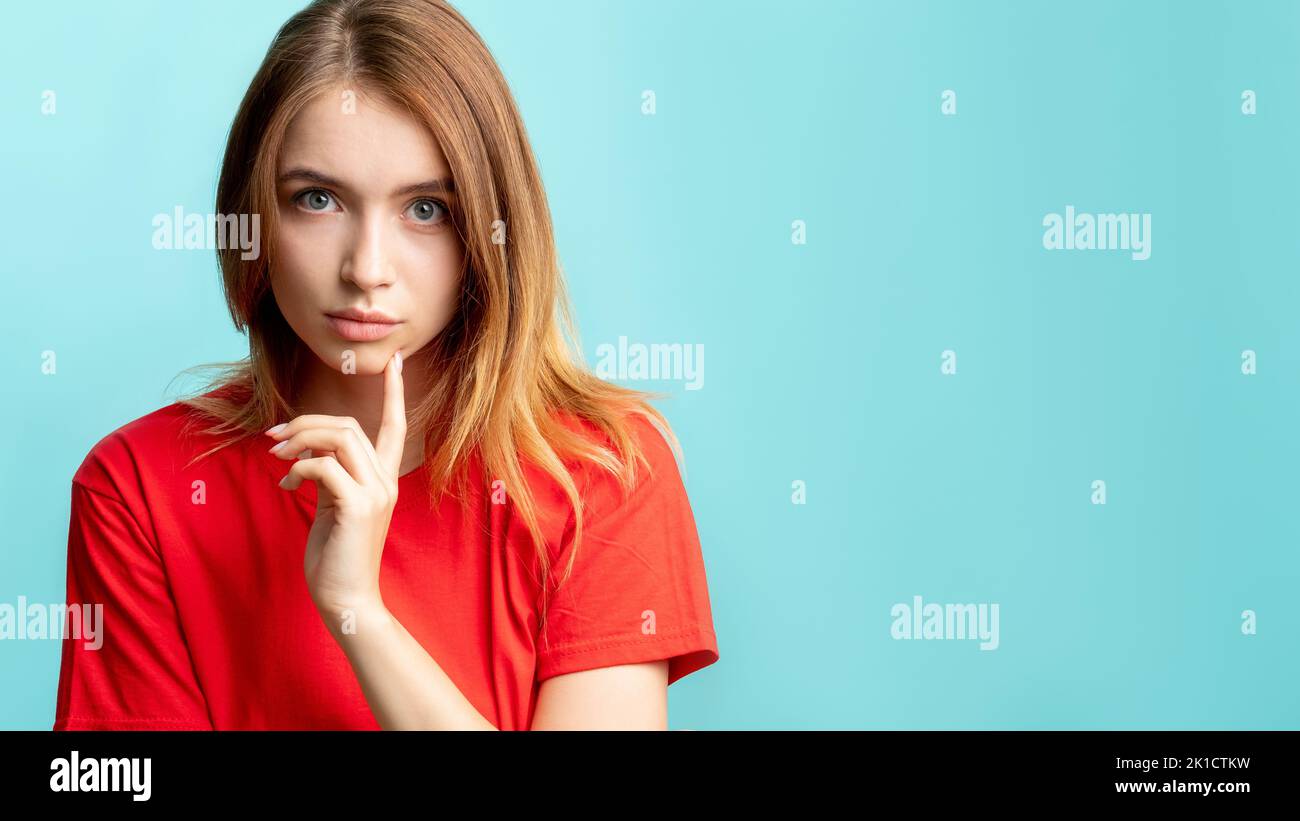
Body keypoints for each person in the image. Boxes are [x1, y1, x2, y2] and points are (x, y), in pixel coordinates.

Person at [53, 0, 718, 731]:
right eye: (317, 199)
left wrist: (358, 613)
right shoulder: (138, 488)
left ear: (489, 228)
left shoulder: (605, 473)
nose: (367, 268)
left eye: (425, 209)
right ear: (253, 218)